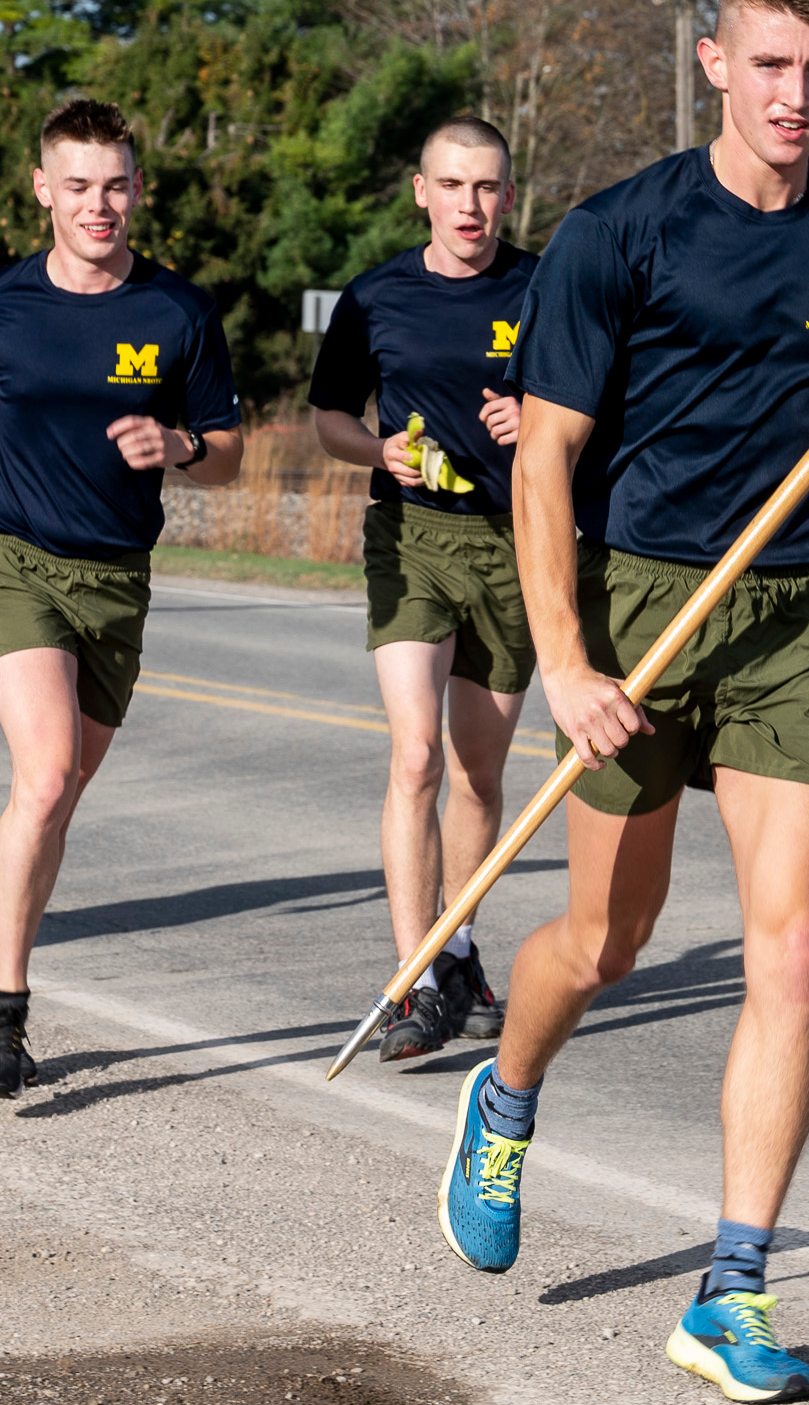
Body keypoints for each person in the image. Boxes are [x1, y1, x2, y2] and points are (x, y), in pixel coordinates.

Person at [437, 0, 809, 1405]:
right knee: (609, 938)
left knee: (792, 947)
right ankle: (508, 1094)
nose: (801, 94)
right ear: (718, 63)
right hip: (638, 605)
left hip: (791, 614)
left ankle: (733, 1287)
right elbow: (542, 461)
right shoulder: (623, 232)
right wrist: (566, 657)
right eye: (773, 65)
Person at [0, 97, 245, 1098]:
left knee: (58, 798)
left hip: (117, 580)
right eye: (79, 185)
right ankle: (2, 1016)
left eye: (117, 184)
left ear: (139, 188)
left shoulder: (177, 313)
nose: (101, 204)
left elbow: (226, 456)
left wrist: (179, 447)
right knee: (45, 776)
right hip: (11, 560)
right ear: (43, 188)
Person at [308, 117, 536, 1064]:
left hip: (516, 545)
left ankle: (461, 952)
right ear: (420, 190)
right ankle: (411, 981)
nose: (470, 206)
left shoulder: (544, 287)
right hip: (410, 538)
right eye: (452, 186)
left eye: (486, 188)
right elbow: (326, 418)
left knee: (480, 774)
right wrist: (378, 449)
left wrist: (538, 419)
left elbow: (598, 404)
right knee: (416, 758)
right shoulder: (375, 297)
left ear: (507, 196)